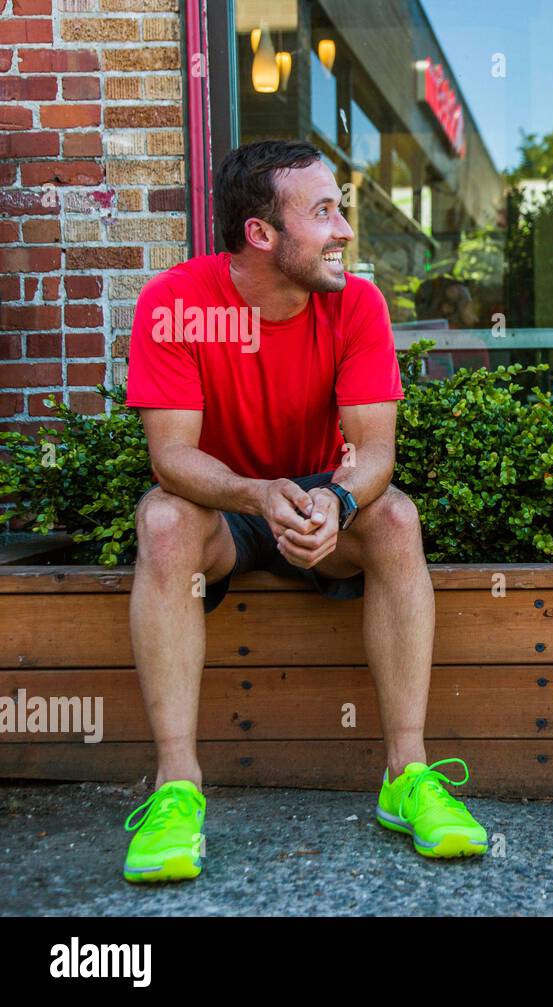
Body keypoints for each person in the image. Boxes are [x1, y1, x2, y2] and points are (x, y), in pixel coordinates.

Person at [121, 140, 487, 883]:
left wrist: (339, 497)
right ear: (262, 233)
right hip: (224, 507)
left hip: (324, 500)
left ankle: (406, 776)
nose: (344, 230)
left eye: (340, 209)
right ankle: (175, 789)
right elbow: (171, 458)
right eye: (323, 212)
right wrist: (257, 492)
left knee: (395, 519)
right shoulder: (175, 301)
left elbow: (377, 449)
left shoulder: (357, 301)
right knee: (160, 519)